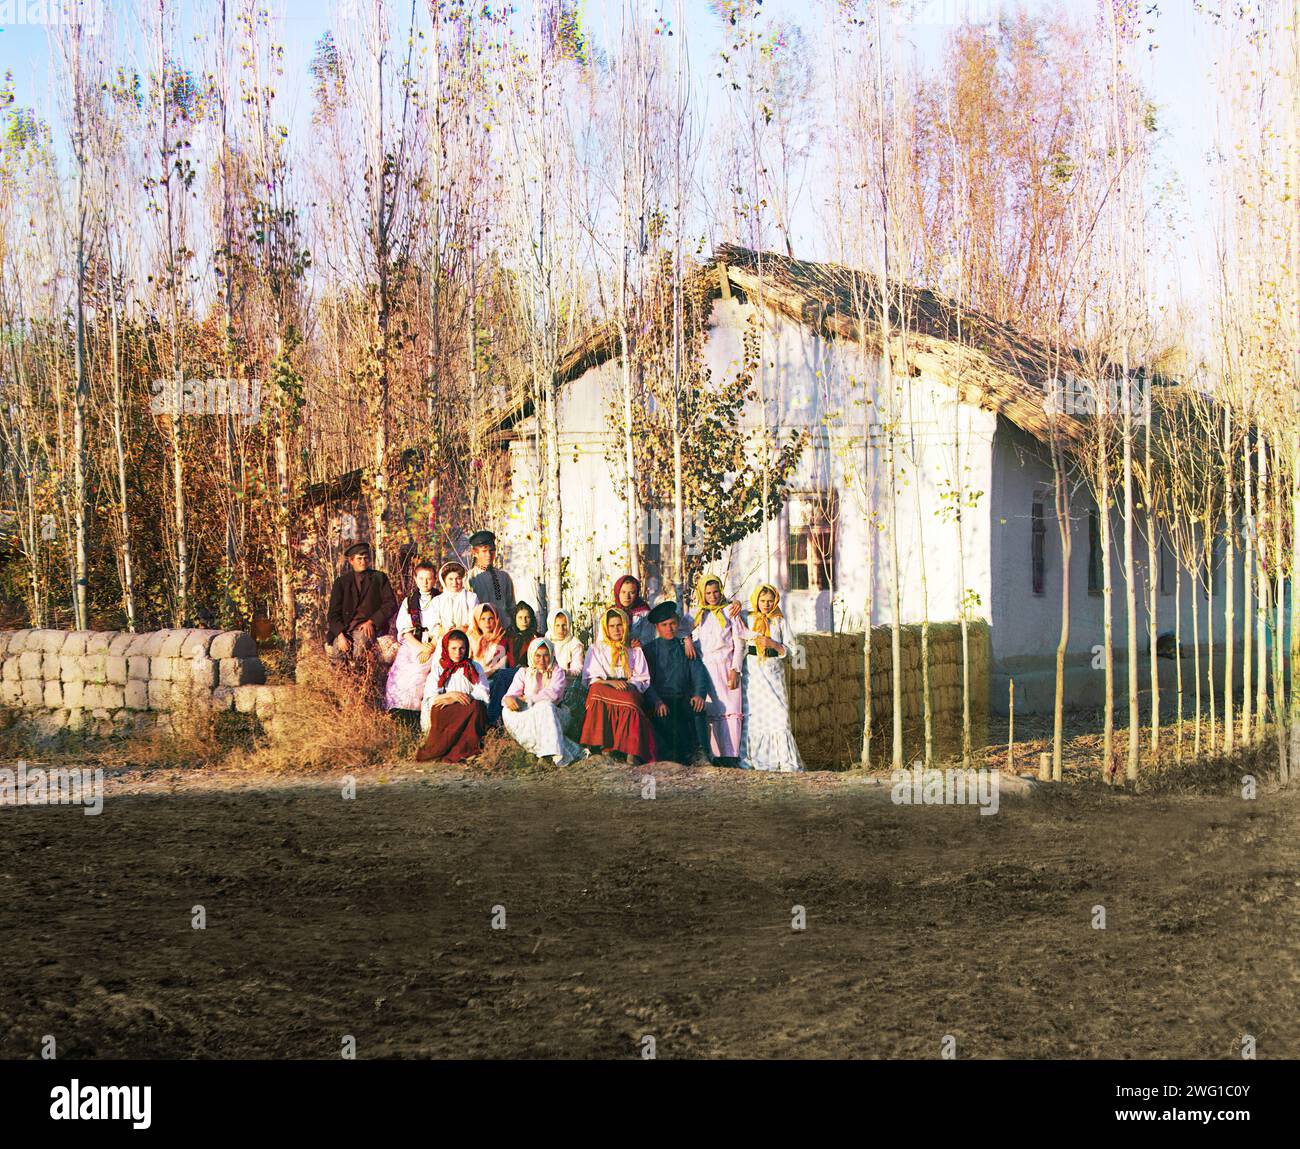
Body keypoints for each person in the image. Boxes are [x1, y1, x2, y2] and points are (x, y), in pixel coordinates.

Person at [739, 583, 805, 773]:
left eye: (770, 601)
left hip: (774, 672)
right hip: (753, 674)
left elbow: (792, 649)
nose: (766, 605)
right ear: (756, 601)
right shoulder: (747, 618)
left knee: (779, 716)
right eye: (762, 601)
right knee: (754, 717)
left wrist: (773, 644)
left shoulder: (779, 621)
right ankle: (751, 759)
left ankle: (784, 761)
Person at [580, 607, 656, 765]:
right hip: (606, 685)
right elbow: (591, 676)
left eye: (619, 625)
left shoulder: (633, 650)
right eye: (612, 626)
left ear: (626, 626)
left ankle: (631, 751)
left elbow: (642, 677)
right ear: (606, 628)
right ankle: (602, 746)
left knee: (629, 700)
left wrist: (629, 684)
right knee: (595, 692)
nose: (616, 629)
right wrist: (611, 682)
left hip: (628, 686)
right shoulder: (596, 649)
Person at [686, 572, 746, 767]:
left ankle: (731, 755)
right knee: (711, 710)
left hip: (726, 663)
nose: (712, 596)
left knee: (730, 709)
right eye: (708, 592)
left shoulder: (729, 611)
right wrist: (687, 640)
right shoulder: (696, 613)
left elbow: (740, 640)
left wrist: (736, 668)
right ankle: (714, 755)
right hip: (706, 667)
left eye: (715, 592)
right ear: (703, 593)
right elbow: (679, 629)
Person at [642, 601, 712, 765]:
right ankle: (671, 756)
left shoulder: (685, 647)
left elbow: (698, 672)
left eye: (672, 623)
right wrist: (656, 701)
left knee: (697, 709)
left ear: (678, 623)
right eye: (664, 625)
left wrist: (699, 694)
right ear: (657, 627)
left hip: (682, 697)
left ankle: (700, 753)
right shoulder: (650, 650)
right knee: (665, 723)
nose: (669, 628)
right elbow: (645, 681)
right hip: (660, 700)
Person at [501, 637, 588, 766]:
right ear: (531, 654)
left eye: (546, 655)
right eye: (538, 655)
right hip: (531, 713)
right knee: (506, 710)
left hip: (555, 714)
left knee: (545, 706)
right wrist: (509, 699)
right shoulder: (523, 672)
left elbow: (553, 693)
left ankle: (548, 755)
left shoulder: (557, 671)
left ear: (552, 655)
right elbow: (512, 693)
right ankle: (536, 750)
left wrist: (530, 699)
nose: (542, 660)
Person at [416, 629, 490, 760]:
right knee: (437, 710)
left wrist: (464, 697)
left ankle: (466, 750)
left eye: (462, 648)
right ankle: (441, 749)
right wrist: (450, 696)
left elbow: (483, 691)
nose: (458, 652)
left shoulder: (474, 667)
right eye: (454, 648)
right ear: (446, 648)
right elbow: (430, 697)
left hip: (467, 705)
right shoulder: (439, 667)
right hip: (447, 709)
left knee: (477, 707)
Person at [383, 559, 439, 721]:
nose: (425, 582)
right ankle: (398, 711)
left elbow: (443, 625)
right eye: (421, 578)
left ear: (435, 579)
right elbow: (405, 630)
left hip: (434, 642)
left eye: (429, 578)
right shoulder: (410, 601)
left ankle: (418, 713)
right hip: (414, 643)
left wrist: (431, 646)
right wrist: (420, 647)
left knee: (421, 673)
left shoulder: (440, 599)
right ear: (415, 579)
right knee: (401, 672)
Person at [326, 542, 398, 662]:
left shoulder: (379, 578)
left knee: (359, 653)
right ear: (351, 560)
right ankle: (345, 680)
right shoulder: (341, 583)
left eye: (365, 558)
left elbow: (390, 604)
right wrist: (340, 635)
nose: (363, 562)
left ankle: (362, 678)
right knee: (337, 655)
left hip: (367, 628)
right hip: (344, 629)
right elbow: (333, 614)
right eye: (359, 559)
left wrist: (372, 621)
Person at [469, 602, 513, 725]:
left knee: (493, 687)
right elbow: (468, 659)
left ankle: (491, 721)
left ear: (496, 619)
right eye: (482, 619)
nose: (487, 623)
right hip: (473, 676)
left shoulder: (500, 638)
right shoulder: (472, 638)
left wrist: (488, 673)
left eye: (490, 619)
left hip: (491, 676)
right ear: (477, 621)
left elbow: (500, 663)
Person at [425, 561, 478, 651]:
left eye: (458, 578)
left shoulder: (471, 597)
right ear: (444, 580)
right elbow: (433, 625)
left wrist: (462, 631)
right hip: (444, 639)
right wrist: (446, 631)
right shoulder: (437, 601)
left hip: (467, 639)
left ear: (463, 579)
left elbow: (474, 622)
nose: (455, 582)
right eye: (450, 579)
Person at [467, 530, 515, 621]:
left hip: (503, 627)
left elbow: (511, 606)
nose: (489, 555)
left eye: (492, 551)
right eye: (484, 551)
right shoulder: (470, 578)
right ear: (475, 553)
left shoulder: (504, 577)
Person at [610, 574, 656, 647]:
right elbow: (602, 640)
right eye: (623, 592)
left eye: (632, 593)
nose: (627, 597)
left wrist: (637, 644)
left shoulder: (644, 613)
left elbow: (647, 639)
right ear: (617, 592)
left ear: (636, 594)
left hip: (637, 655)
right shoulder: (610, 613)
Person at [547, 609, 585, 677]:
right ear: (552, 625)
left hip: (567, 681)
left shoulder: (575, 644)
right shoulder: (547, 641)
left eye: (564, 625)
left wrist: (563, 672)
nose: (561, 629)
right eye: (557, 625)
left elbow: (578, 669)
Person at [504, 601, 540, 669]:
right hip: (510, 675)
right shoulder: (507, 637)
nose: (524, 621)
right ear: (515, 619)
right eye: (520, 617)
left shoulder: (537, 638)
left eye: (527, 617)